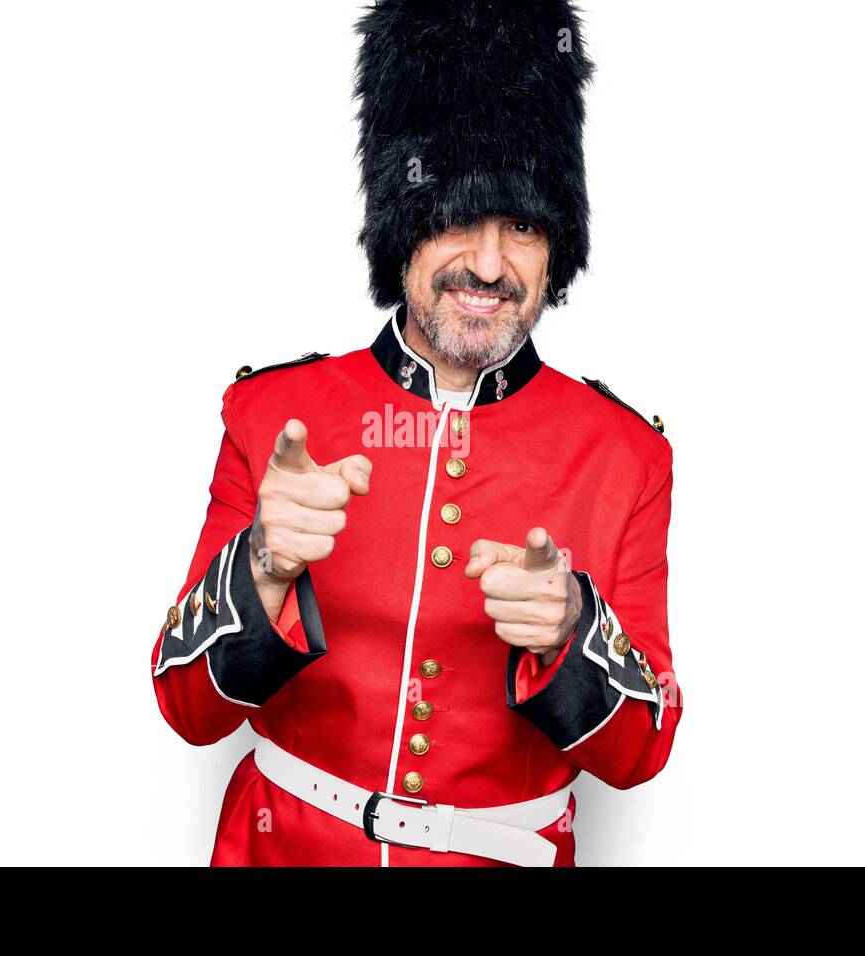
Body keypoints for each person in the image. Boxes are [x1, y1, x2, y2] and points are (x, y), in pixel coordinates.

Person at [150, 0, 682, 867]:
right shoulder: (269, 414)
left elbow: (641, 754)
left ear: (557, 250)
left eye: (522, 225)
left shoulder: (628, 455)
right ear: (402, 228)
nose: (486, 262)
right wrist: (262, 565)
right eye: (454, 217)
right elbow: (187, 713)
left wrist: (572, 627)